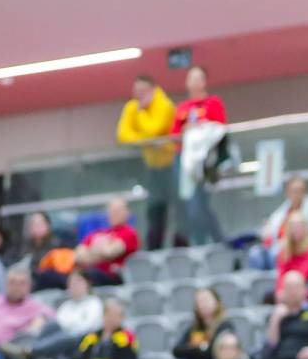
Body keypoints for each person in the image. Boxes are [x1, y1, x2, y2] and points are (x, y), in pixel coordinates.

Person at [117, 74, 177, 250]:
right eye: (137, 91)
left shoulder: (164, 105)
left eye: (143, 91)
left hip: (172, 166)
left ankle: (180, 248)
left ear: (153, 90)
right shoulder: (133, 107)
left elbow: (154, 130)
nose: (139, 95)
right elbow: (122, 135)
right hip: (153, 168)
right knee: (154, 211)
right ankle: (154, 250)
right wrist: (143, 138)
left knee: (178, 211)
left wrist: (141, 114)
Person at [171, 65, 228, 246]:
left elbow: (219, 129)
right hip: (185, 161)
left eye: (198, 78)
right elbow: (174, 136)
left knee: (199, 205)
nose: (195, 82)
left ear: (204, 82)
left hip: (205, 160)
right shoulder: (182, 108)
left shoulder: (213, 103)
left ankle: (216, 241)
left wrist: (200, 128)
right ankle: (207, 242)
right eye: (191, 78)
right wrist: (186, 130)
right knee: (190, 207)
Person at [19, 270, 104, 359]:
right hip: (64, 339)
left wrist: (68, 327)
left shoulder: (94, 303)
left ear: (87, 284)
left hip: (83, 340)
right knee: (52, 326)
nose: (75, 286)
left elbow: (88, 326)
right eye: (72, 283)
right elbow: (58, 324)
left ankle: (31, 351)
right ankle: (34, 351)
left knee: (69, 335)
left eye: (78, 282)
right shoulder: (65, 306)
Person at [60, 301, 138, 359]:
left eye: (114, 316)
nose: (110, 319)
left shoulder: (127, 337)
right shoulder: (91, 337)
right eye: (108, 315)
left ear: (121, 318)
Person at [250, 175, 308, 270]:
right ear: (288, 192)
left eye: (300, 190)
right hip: (277, 243)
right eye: (294, 190)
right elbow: (270, 226)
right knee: (255, 252)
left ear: (305, 191)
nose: (297, 193)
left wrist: (285, 241)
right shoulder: (283, 210)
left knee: (276, 253)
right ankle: (260, 283)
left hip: (295, 245)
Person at [72, 198, 140, 286]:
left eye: (117, 211)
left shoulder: (129, 233)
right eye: (111, 211)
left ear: (127, 212)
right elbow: (77, 256)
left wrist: (90, 252)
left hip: (113, 279)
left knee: (87, 275)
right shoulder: (98, 233)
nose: (113, 214)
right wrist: (103, 250)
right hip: (92, 276)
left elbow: (109, 252)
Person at [274, 213, 308, 286]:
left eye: (299, 226)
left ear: (306, 228)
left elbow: (306, 272)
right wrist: (280, 291)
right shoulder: (285, 249)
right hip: (289, 286)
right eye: (293, 227)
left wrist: (291, 285)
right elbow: (281, 273)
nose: (296, 229)